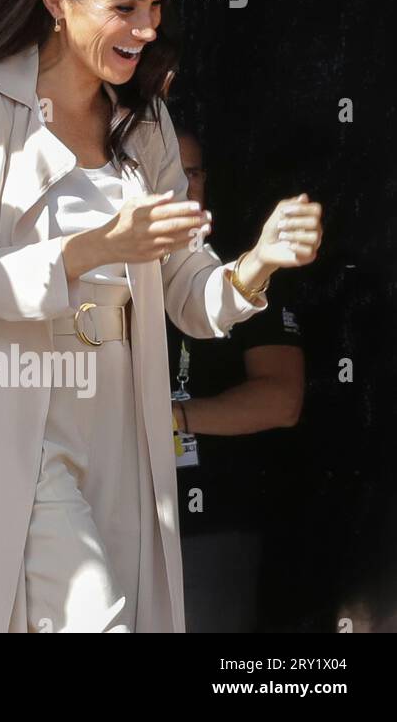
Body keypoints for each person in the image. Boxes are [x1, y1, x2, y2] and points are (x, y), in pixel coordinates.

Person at [0, 0, 323, 632]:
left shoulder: (146, 119)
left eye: (155, 7)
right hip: (19, 423)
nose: (147, 27)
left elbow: (189, 294)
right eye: (126, 7)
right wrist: (97, 247)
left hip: (125, 430)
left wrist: (256, 264)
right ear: (56, 1)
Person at [165, 124, 305, 632]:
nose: (179, 186)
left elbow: (281, 400)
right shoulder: (106, 272)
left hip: (211, 521)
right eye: (164, 174)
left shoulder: (246, 272)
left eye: (191, 173)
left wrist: (175, 418)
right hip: (109, 514)